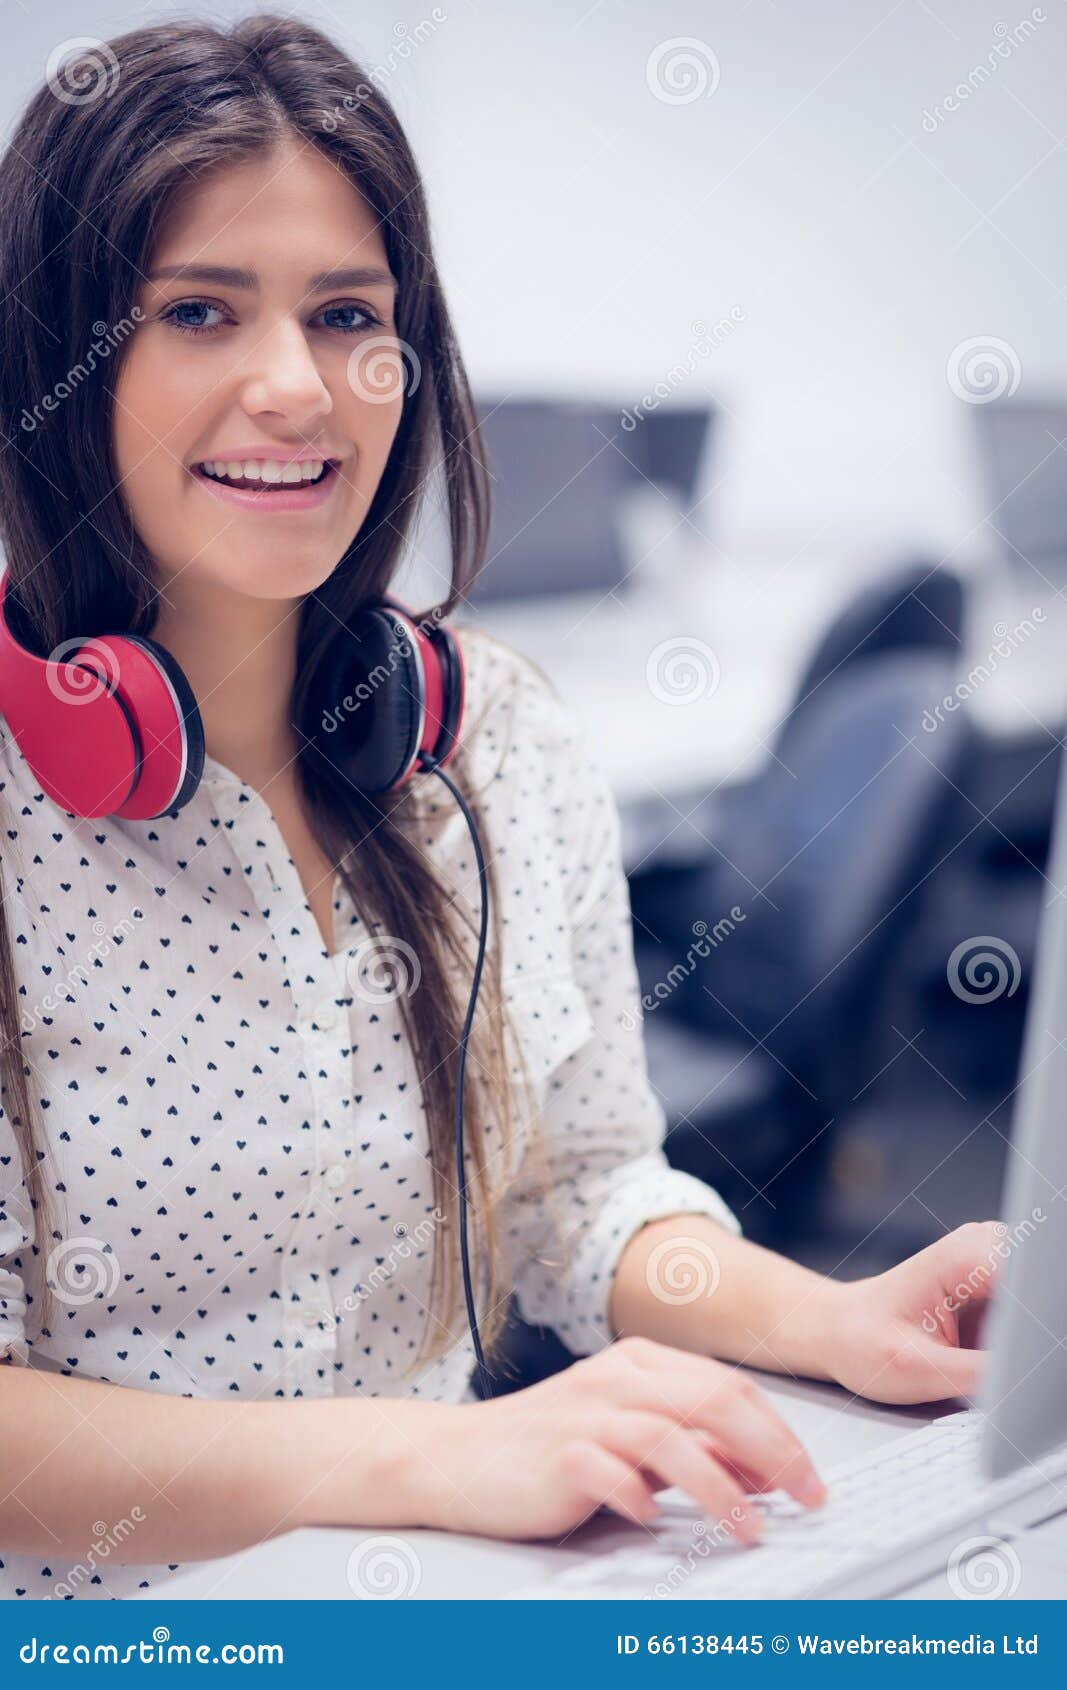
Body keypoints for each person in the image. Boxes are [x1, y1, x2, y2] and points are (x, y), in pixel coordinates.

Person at [0, 14, 1002, 1601]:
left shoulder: (495, 745)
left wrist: (832, 1316)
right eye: (198, 311)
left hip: (443, 1592)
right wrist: (419, 1455)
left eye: (348, 314)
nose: (295, 385)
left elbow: (579, 1194)